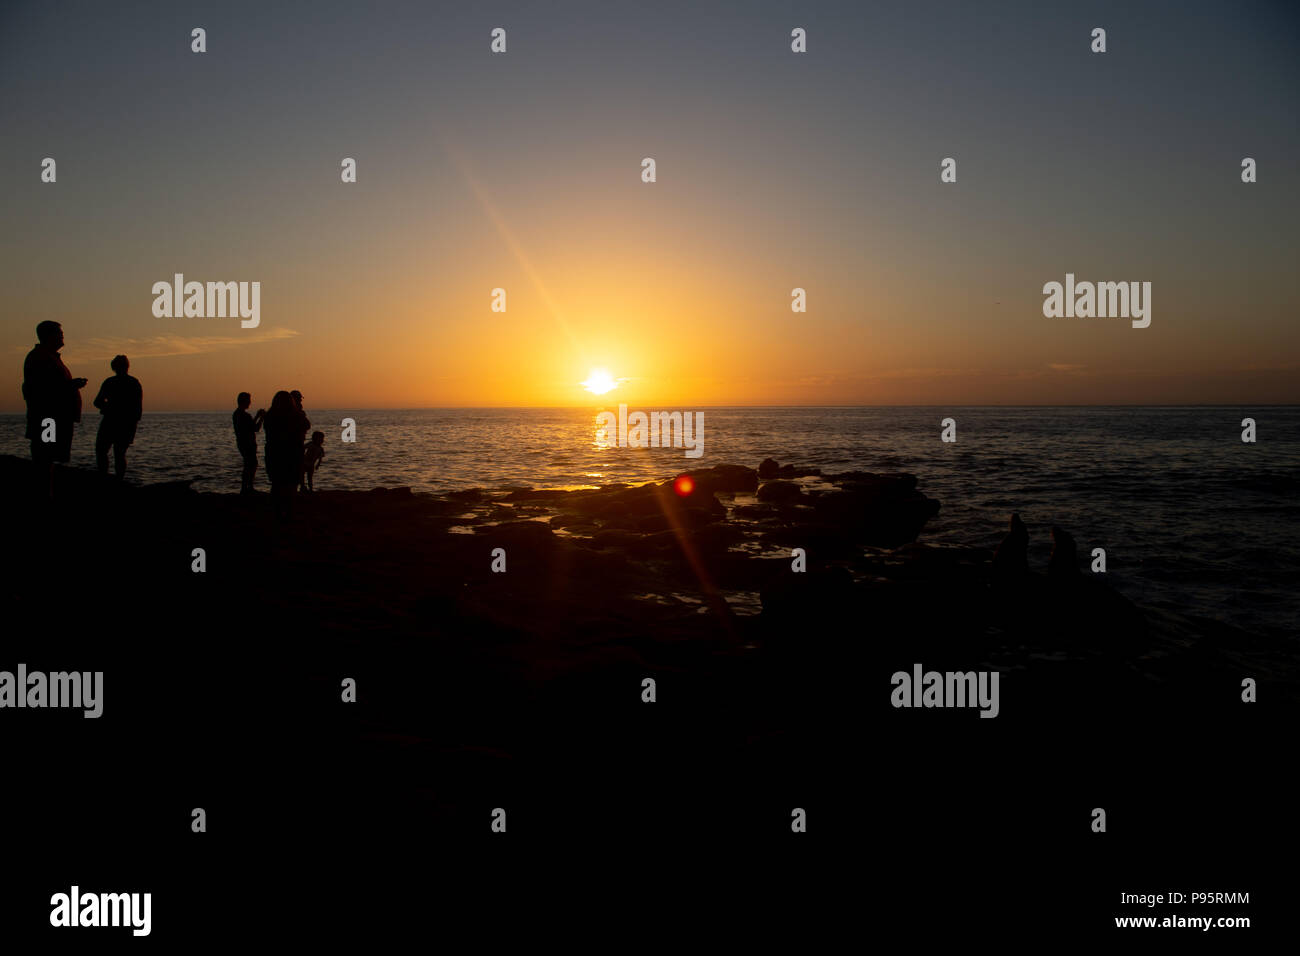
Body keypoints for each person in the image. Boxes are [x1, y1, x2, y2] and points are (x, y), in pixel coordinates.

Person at [22, 321, 88, 497]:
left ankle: (45, 494)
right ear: (49, 335)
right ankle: (44, 496)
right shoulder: (40, 357)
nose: (62, 336)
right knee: (45, 457)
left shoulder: (49, 357)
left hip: (52, 418)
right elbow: (42, 388)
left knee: (48, 458)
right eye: (59, 333)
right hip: (47, 418)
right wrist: (71, 385)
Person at [92, 355, 143, 479]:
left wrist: (107, 408)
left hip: (112, 421)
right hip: (123, 422)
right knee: (118, 453)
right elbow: (137, 409)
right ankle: (117, 479)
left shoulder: (111, 382)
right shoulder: (133, 382)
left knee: (104, 451)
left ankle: (106, 477)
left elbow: (97, 402)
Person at [263, 390, 308, 517]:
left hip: (274, 453)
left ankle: (277, 510)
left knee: (277, 483)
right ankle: (288, 511)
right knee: (291, 483)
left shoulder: (270, 416)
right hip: (292, 453)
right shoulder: (295, 415)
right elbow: (306, 425)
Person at [232, 392, 266, 495]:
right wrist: (261, 418)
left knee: (249, 464)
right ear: (244, 401)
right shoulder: (244, 415)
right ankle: (248, 487)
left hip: (242, 442)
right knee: (251, 464)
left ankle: (246, 487)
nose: (250, 403)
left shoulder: (237, 414)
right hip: (247, 443)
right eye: (248, 401)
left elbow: (250, 426)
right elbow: (255, 428)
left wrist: (256, 416)